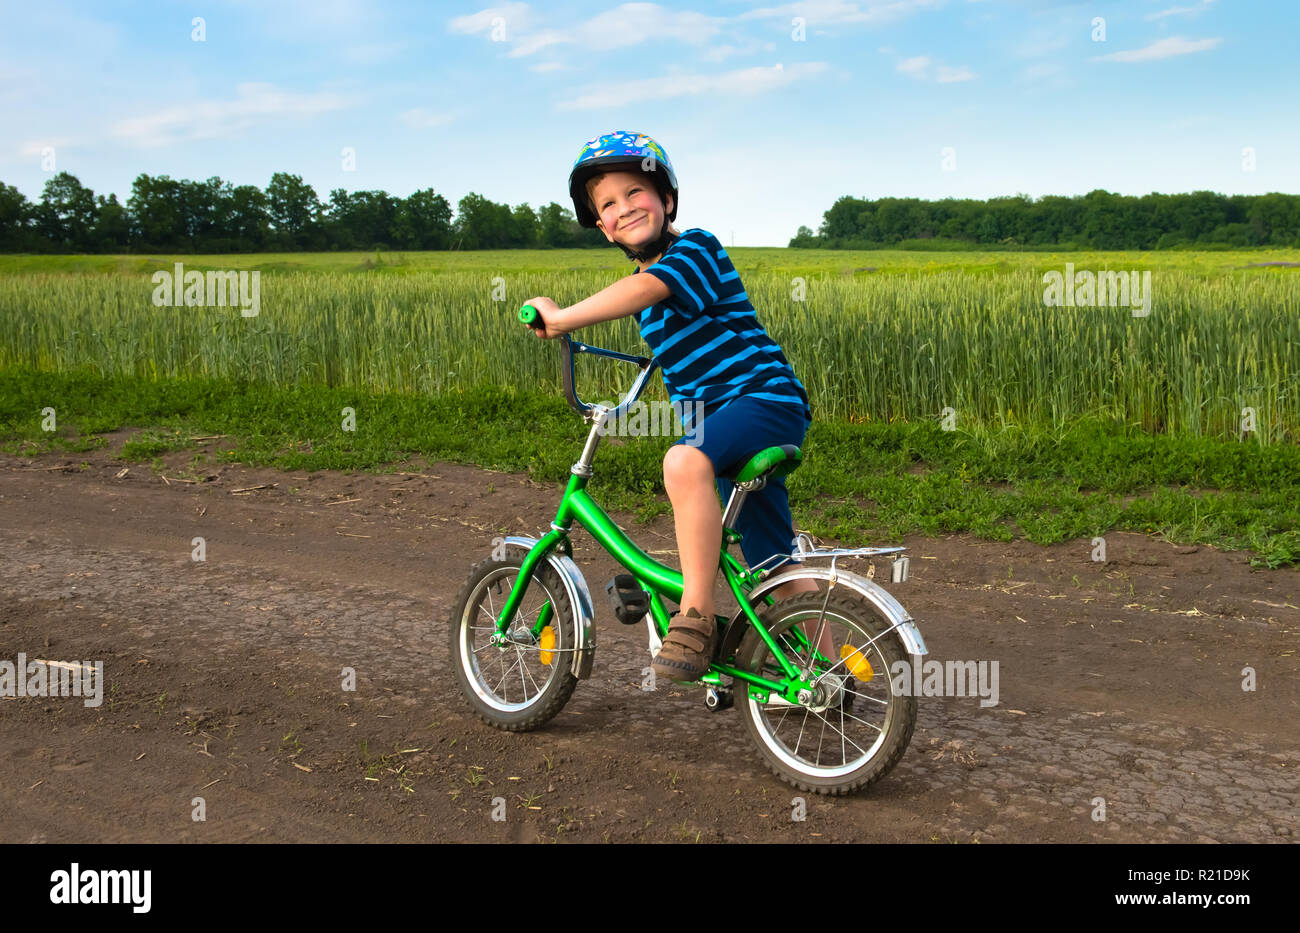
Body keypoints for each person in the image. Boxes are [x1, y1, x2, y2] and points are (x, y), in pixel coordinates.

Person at [523, 130, 818, 682]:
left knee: (683, 462)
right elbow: (679, 341)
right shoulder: (650, 293)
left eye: (635, 192)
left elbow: (648, 289)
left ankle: (695, 617)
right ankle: (840, 673)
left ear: (667, 200)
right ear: (600, 225)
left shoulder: (694, 250)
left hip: (761, 399)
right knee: (774, 565)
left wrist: (560, 319)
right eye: (607, 204)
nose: (623, 208)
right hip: (728, 423)